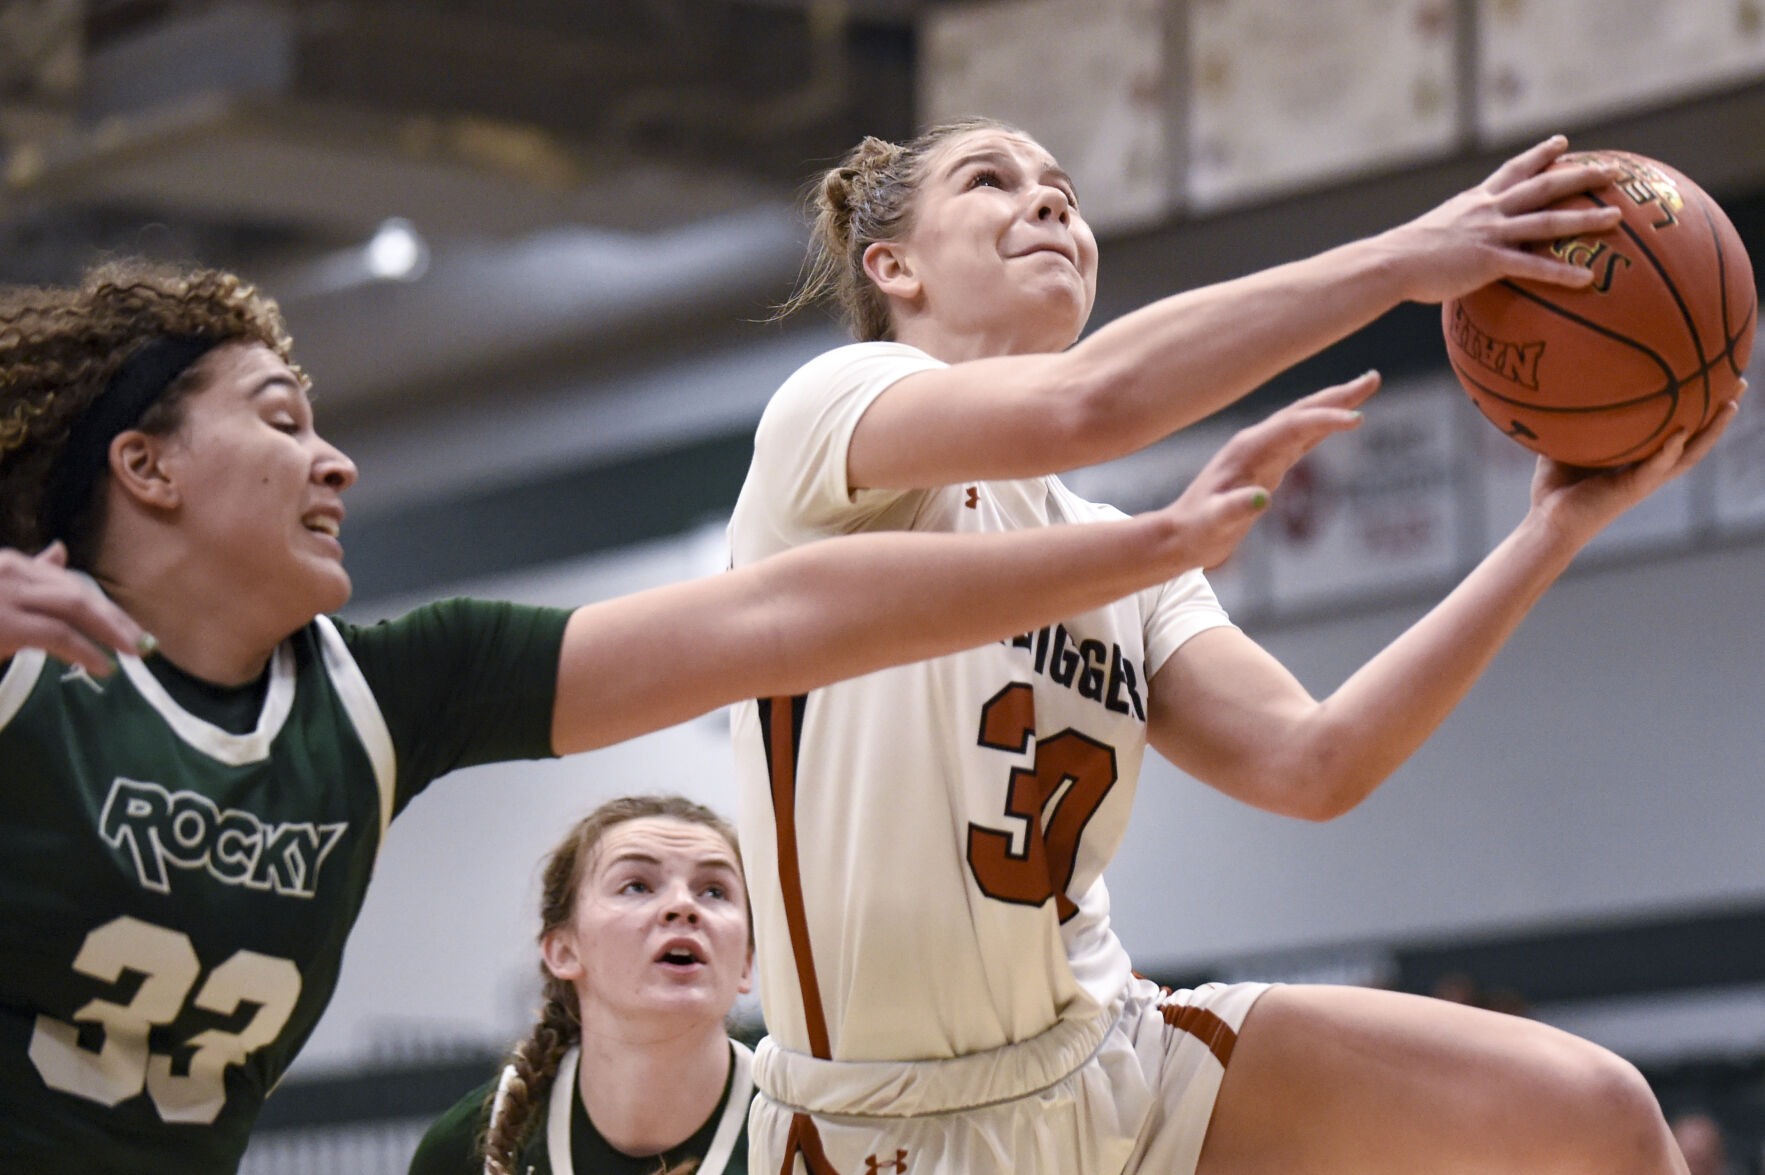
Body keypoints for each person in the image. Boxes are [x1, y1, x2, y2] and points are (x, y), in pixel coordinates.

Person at [0, 257, 1356, 1174]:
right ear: (145, 465)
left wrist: (1147, 544)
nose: (335, 459)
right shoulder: (20, 676)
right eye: (284, 420)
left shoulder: (381, 692)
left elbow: (785, 615)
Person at [726, 118, 1742, 1175]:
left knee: (1595, 1110)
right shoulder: (826, 420)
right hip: (879, 1123)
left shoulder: (1129, 555)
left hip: (1111, 1061)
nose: (1050, 203)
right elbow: (1093, 402)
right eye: (990, 180)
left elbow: (1315, 761)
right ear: (892, 265)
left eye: (1063, 188)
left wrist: (1551, 532)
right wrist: (1400, 259)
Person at [409, 795, 757, 1175]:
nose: (683, 904)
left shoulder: (813, 1130)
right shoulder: (460, 1149)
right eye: (636, 886)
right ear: (563, 951)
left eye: (714, 891)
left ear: (747, 962)